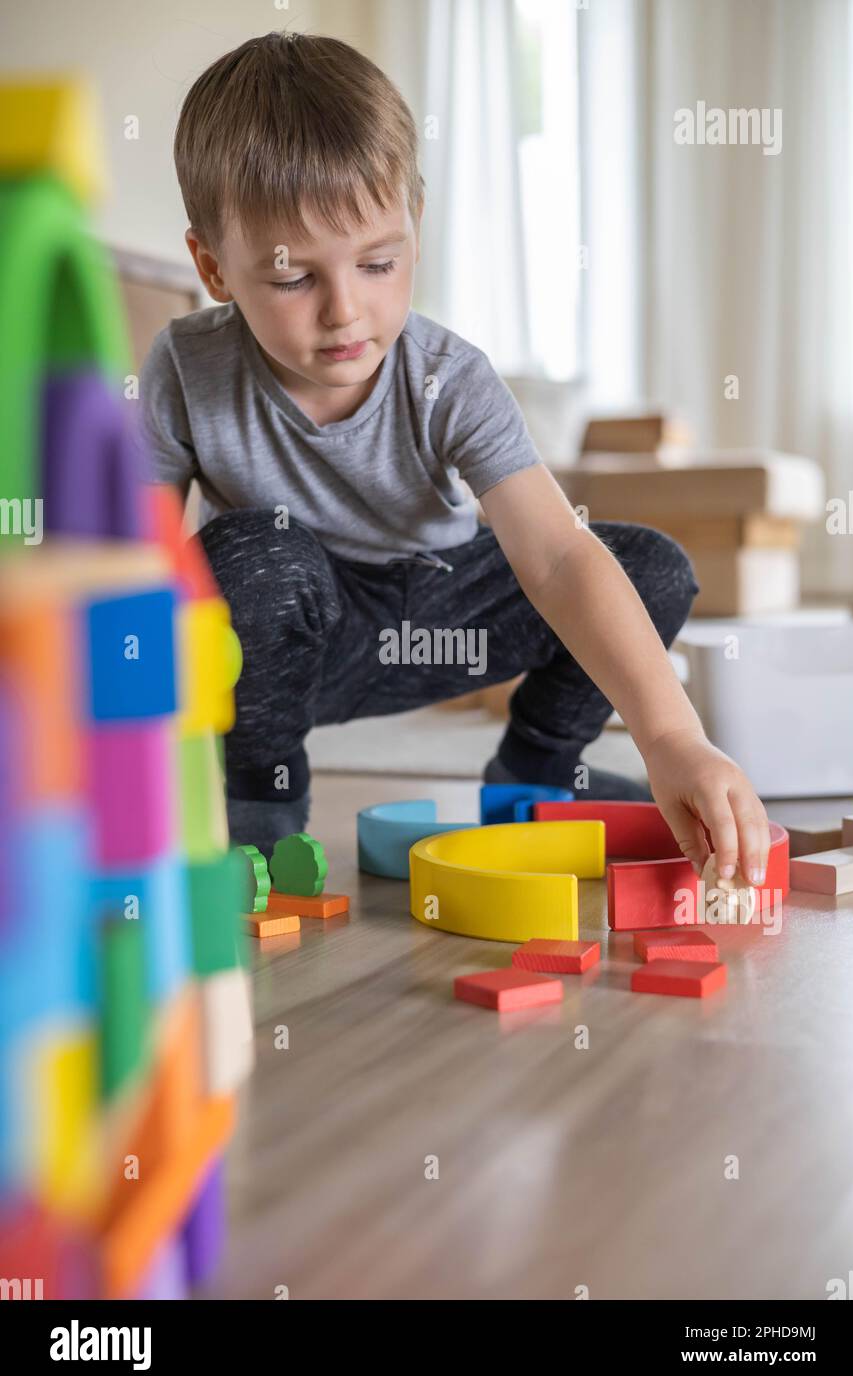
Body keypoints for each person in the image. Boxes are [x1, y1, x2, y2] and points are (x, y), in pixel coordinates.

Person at [139, 30, 770, 883]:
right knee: (254, 560)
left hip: (442, 612)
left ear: (415, 229)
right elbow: (132, 559)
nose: (344, 310)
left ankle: (535, 778)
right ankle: (261, 809)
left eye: (378, 262)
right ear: (213, 268)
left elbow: (552, 555)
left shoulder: (449, 379)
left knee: (649, 567)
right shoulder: (185, 367)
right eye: (294, 279)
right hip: (288, 643)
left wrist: (672, 738)